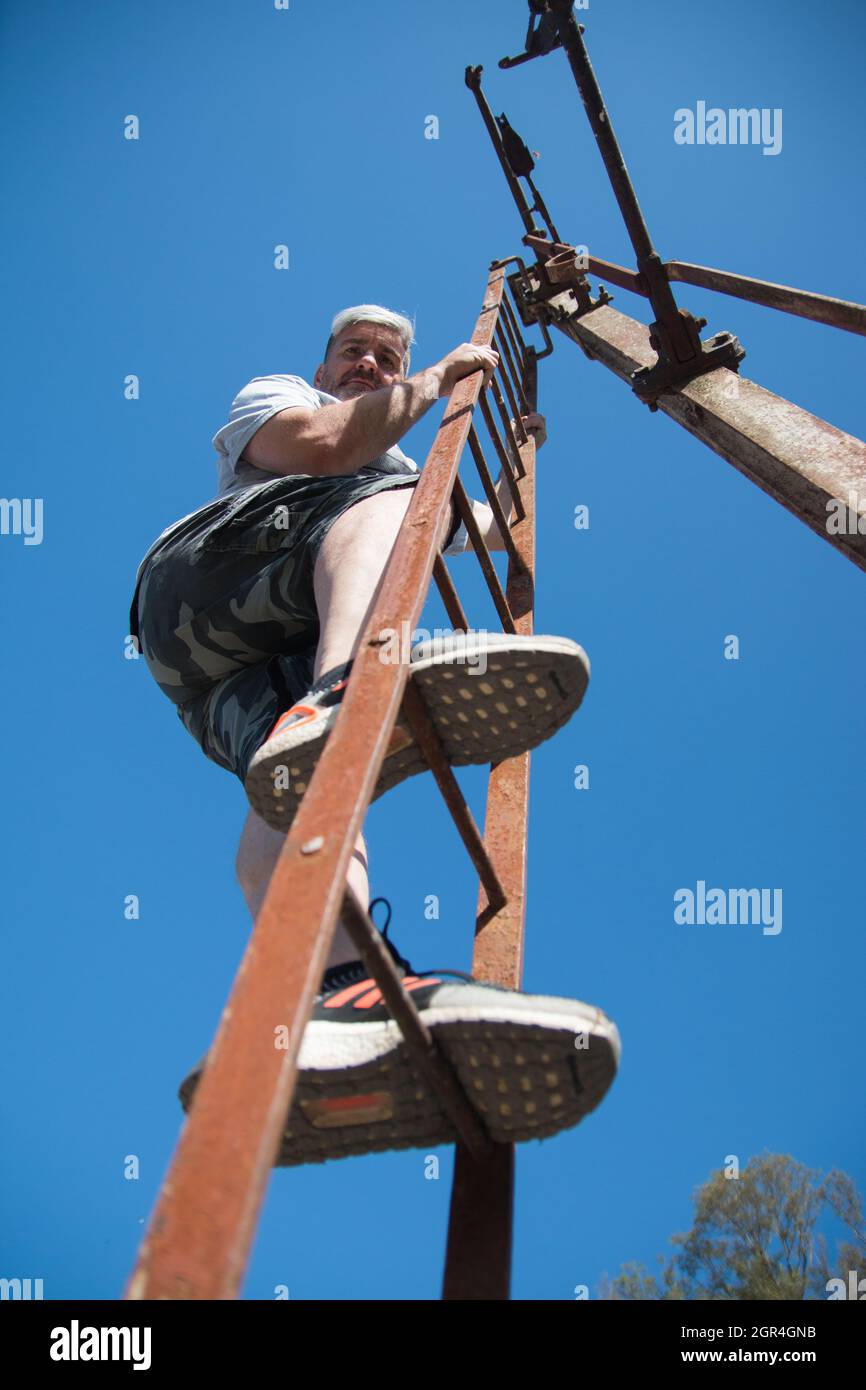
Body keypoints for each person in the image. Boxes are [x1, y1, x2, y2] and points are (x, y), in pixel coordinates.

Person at [130, 304, 620, 1165]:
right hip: (199, 594)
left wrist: (517, 467)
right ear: (324, 368)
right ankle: (341, 692)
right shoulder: (282, 397)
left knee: (305, 788)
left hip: (239, 687)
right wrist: (433, 382)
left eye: (388, 357)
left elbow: (475, 527)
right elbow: (323, 448)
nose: (369, 363)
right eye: (354, 352)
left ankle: (336, 990)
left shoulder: (396, 473)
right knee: (400, 508)